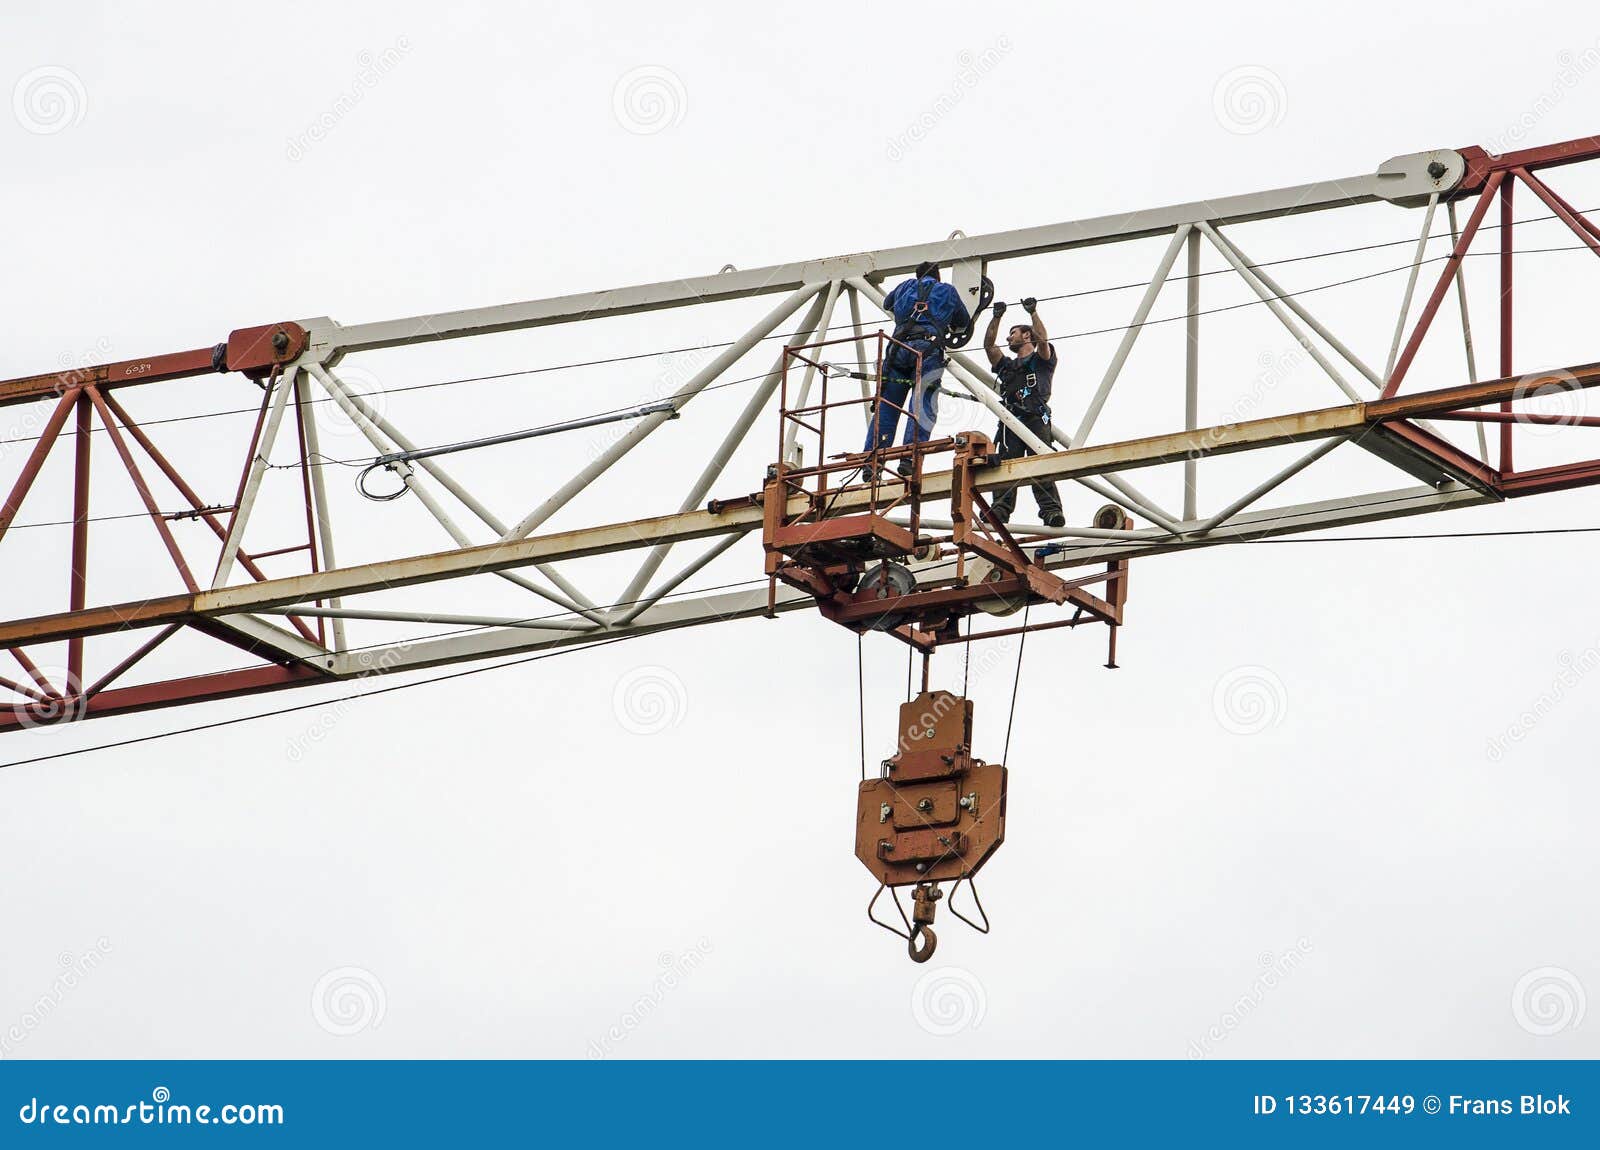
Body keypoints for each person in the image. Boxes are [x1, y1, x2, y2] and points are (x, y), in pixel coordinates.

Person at [863, 261, 972, 476]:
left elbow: (888, 303)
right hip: (927, 349)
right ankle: (909, 458)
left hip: (898, 349)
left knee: (887, 405)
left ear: (918, 275)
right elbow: (963, 321)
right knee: (922, 402)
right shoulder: (947, 291)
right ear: (938, 276)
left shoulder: (905, 286)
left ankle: (872, 464)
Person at [984, 297, 1065, 527]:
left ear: (1026, 335)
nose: (1008, 338)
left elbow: (1043, 340)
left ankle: (1051, 511)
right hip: (1012, 421)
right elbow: (989, 346)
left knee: (1040, 462)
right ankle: (1000, 509)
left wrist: (1033, 313)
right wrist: (996, 317)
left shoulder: (1041, 361)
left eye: (1013, 333)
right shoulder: (1007, 366)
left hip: (1036, 418)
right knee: (1007, 464)